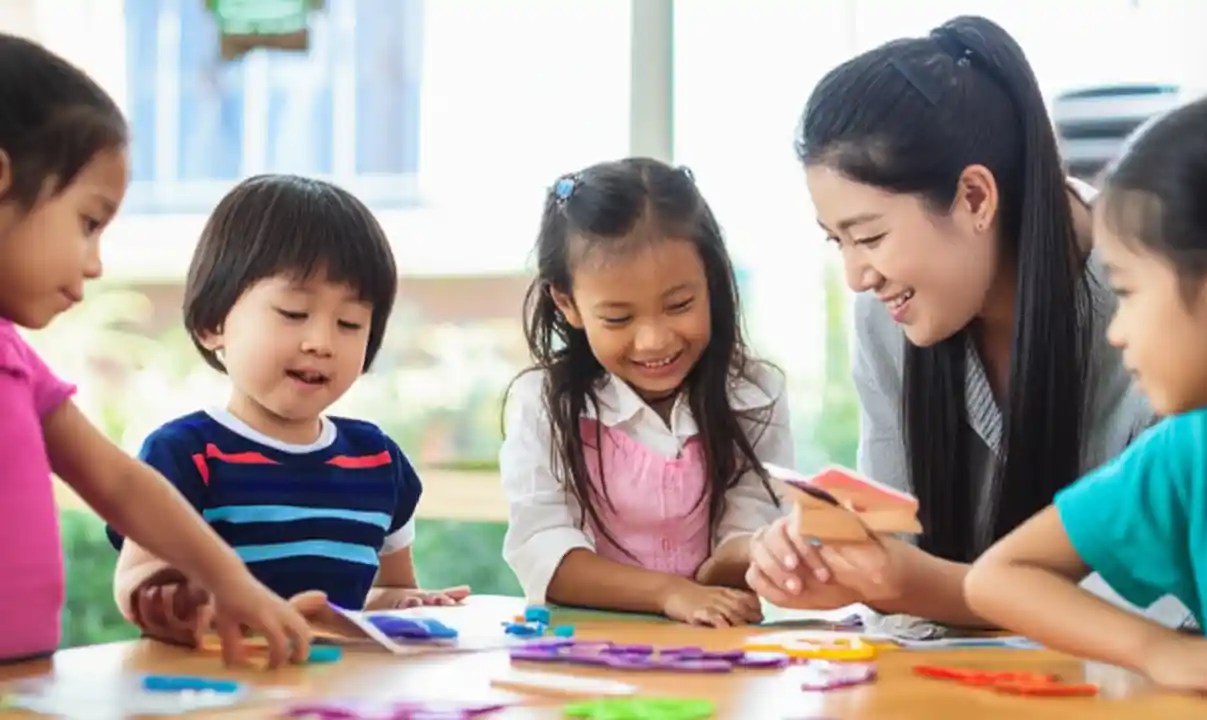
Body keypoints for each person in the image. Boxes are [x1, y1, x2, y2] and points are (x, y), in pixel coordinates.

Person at [747, 15, 1188, 628]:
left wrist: (920, 586)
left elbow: (1165, 607)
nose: (857, 277)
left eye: (869, 236)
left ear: (976, 198)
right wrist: (837, 567)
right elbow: (897, 561)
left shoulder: (1158, 308)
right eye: (837, 242)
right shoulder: (887, 320)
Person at [0, 33, 310, 667]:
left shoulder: (17, 362)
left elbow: (120, 483)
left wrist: (231, 581)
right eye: (89, 222)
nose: (94, 263)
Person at [967, 92, 1207, 698]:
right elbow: (999, 576)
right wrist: (1155, 649)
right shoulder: (1194, 449)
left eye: (1129, 292)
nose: (1116, 330)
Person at [106, 175, 469, 647]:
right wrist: (193, 604)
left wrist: (406, 602)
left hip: (334, 696)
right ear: (212, 323)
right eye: (294, 313)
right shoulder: (184, 455)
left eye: (349, 322)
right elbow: (137, 581)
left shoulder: (377, 461)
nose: (321, 342)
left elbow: (384, 589)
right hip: (219, 693)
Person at [501, 158, 793, 626]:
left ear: (712, 281)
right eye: (618, 318)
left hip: (715, 642)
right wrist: (668, 593)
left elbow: (748, 524)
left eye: (680, 305)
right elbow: (543, 551)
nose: (654, 340)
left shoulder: (754, 394)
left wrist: (766, 548)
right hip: (585, 646)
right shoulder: (542, 403)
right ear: (567, 303)